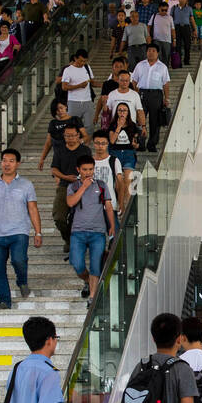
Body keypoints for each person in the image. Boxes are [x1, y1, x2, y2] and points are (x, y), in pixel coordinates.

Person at [0, 147, 41, 309]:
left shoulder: (26, 184)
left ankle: (22, 281)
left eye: (11, 161)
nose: (7, 164)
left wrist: (38, 231)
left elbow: (33, 209)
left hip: (19, 232)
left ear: (18, 164)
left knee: (18, 260)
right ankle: (5, 300)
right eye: (4, 160)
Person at [65, 155, 115, 299]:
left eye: (91, 169)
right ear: (78, 170)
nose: (88, 172)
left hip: (98, 232)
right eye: (85, 170)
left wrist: (111, 225)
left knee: (95, 265)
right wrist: (84, 187)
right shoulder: (73, 186)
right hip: (78, 231)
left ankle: (92, 297)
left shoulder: (101, 185)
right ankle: (87, 281)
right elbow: (70, 203)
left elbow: (109, 207)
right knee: (77, 263)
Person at [50, 124, 92, 269]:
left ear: (78, 136)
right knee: (59, 216)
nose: (71, 138)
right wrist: (65, 177)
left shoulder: (85, 150)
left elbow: (90, 167)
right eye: (67, 135)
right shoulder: (60, 150)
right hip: (64, 186)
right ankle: (68, 239)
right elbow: (54, 168)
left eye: (73, 135)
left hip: (82, 186)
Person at [131, 44, 170, 153]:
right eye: (149, 50)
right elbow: (134, 81)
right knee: (140, 120)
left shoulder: (162, 67)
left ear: (157, 53)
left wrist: (166, 99)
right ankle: (140, 143)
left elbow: (166, 84)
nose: (151, 52)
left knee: (155, 121)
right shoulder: (140, 65)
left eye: (153, 51)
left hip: (156, 95)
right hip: (142, 94)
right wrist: (135, 93)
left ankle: (152, 144)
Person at [89, 130, 126, 216]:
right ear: (93, 144)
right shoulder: (89, 162)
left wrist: (121, 202)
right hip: (91, 206)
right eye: (97, 143)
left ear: (108, 144)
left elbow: (121, 183)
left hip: (110, 205)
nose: (100, 146)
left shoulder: (114, 161)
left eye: (103, 143)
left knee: (113, 228)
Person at [58, 47, 96, 131]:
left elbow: (92, 82)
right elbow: (64, 87)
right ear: (75, 58)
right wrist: (79, 86)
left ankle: (86, 142)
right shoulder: (68, 70)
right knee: (72, 126)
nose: (82, 63)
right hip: (73, 101)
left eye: (85, 61)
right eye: (81, 60)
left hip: (88, 101)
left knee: (89, 126)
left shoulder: (87, 67)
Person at [106, 102, 142, 189]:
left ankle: (126, 202)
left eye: (124, 110)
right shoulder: (112, 125)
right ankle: (120, 201)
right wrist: (119, 127)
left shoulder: (132, 125)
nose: (122, 113)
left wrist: (135, 145)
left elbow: (136, 144)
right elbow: (112, 141)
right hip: (115, 153)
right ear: (117, 112)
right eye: (120, 110)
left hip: (128, 154)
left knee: (127, 180)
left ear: (128, 112)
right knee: (118, 182)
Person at [172, 0, 194, 66]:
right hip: (177, 27)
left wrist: (195, 29)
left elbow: (192, 19)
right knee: (178, 46)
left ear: (186, 0)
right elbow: (170, 19)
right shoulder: (174, 8)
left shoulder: (189, 8)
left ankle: (187, 61)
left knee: (187, 45)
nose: (182, 0)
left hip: (186, 27)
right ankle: (179, 62)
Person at [150, 2, 174, 67]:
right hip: (156, 40)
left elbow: (172, 29)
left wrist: (174, 40)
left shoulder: (170, 17)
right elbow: (149, 26)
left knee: (166, 57)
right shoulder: (154, 16)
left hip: (167, 41)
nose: (164, 12)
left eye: (166, 10)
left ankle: (165, 72)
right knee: (157, 57)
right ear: (159, 9)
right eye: (162, 10)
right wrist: (148, 36)